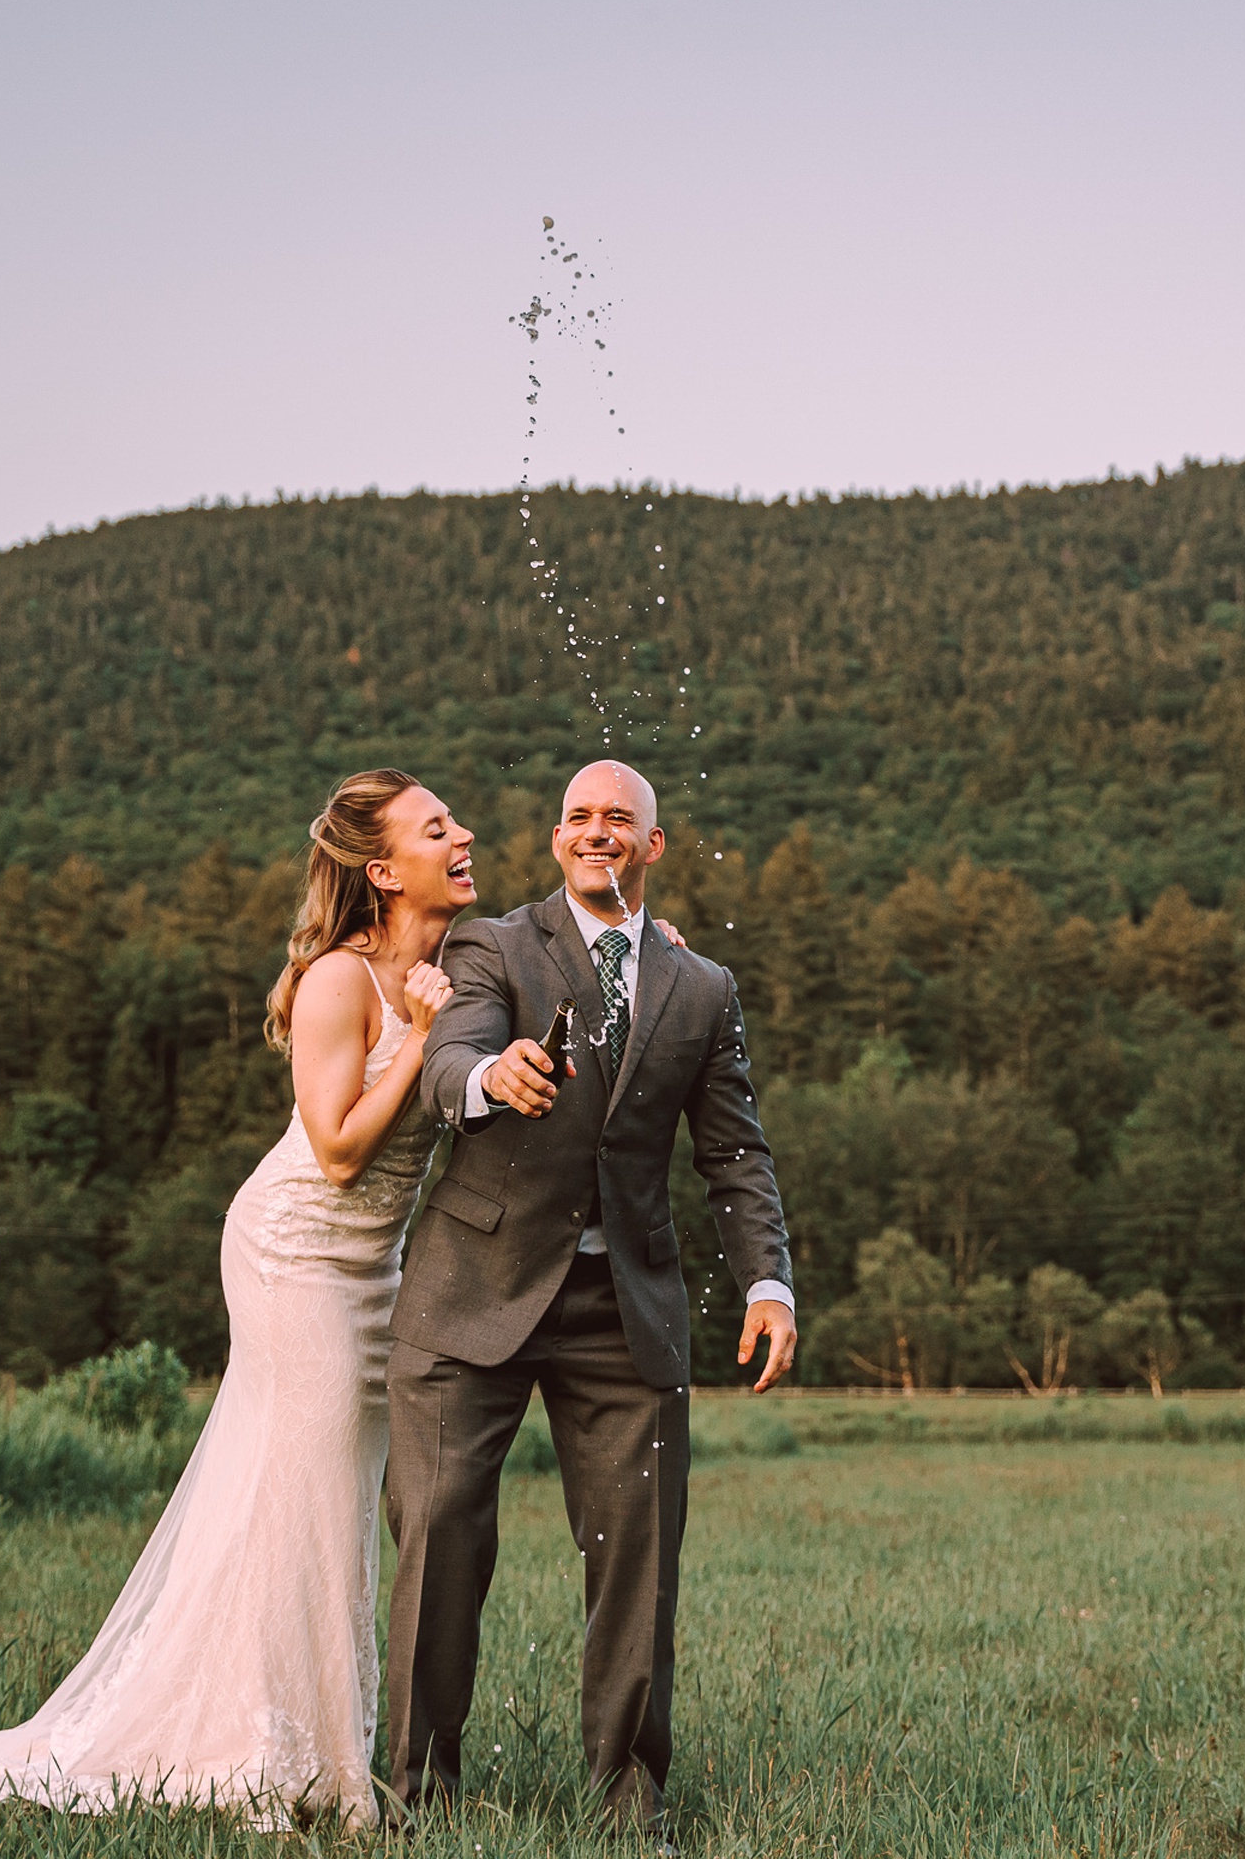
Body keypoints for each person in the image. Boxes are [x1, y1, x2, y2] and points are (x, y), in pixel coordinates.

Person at [0, 768, 473, 1829]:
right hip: (297, 1252)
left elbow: (547, 958)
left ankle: (315, 1741)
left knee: (326, 1497)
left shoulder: (455, 959)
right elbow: (340, 1147)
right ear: (380, 866)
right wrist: (411, 1039)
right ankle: (283, 1760)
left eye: (454, 822)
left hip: (377, 1270)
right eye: (436, 827)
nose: (463, 837)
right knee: (306, 1488)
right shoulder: (340, 983)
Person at [384, 758, 798, 1834]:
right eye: (578, 816)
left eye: (620, 817)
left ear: (653, 845)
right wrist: (489, 1077)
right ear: (558, 839)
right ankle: (414, 1795)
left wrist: (767, 1279)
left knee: (638, 1559)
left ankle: (627, 1802)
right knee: (438, 1532)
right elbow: (449, 1055)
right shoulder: (495, 944)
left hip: (627, 1306)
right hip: (473, 1286)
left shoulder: (701, 986)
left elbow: (735, 1151)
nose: (596, 830)